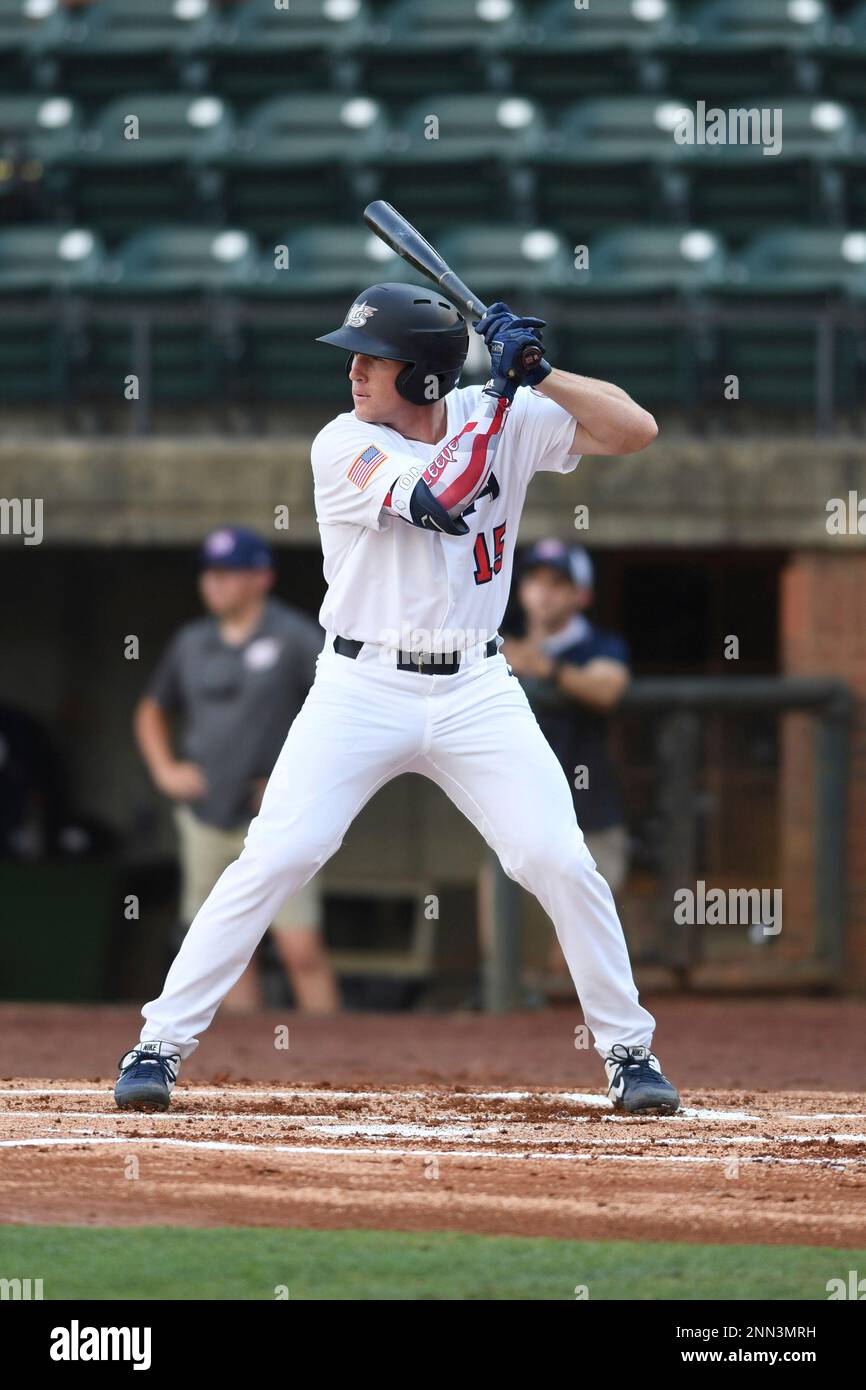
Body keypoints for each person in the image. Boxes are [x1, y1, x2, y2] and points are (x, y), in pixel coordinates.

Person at [114, 283, 680, 1116]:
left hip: (477, 685)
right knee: (278, 854)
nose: (353, 372)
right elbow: (442, 501)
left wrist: (542, 373)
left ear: (420, 378)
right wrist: (500, 390)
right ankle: (159, 1042)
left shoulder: (509, 413)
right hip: (361, 683)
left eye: (372, 362)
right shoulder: (342, 445)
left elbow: (635, 430)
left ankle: (629, 1050)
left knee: (557, 858)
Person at [132, 525, 339, 1015]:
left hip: (275, 819)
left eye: (229, 574)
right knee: (227, 950)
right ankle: (254, 1074)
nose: (214, 584)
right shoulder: (191, 641)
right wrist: (165, 770)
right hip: (206, 816)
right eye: (210, 574)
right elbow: (151, 710)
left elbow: (338, 709)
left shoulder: (293, 636)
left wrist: (292, 780)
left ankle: (339, 1062)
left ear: (261, 577)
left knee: (300, 948)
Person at [504, 539, 632, 995]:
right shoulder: (499, 643)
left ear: (581, 595)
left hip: (589, 819)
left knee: (575, 960)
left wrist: (548, 670)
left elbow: (607, 688)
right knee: (506, 956)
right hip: (513, 822)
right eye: (536, 580)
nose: (544, 592)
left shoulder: (599, 644)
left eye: (559, 584)